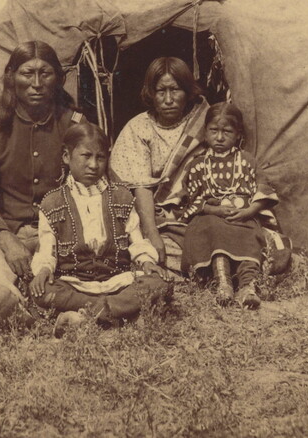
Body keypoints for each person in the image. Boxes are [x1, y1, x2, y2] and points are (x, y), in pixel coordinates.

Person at [0, 40, 85, 321]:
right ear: (11, 78)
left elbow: (89, 186)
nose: (37, 83)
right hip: (3, 228)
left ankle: (57, 304)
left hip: (57, 232)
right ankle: (2, 300)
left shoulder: (74, 124)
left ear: (59, 80)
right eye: (27, 73)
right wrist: (7, 240)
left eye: (45, 73)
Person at [29, 122, 174, 330]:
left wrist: (147, 262)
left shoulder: (121, 196)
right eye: (86, 156)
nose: (93, 165)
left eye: (100, 157)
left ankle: (88, 316)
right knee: (42, 291)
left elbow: (136, 239)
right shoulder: (52, 202)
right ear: (66, 157)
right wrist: (43, 270)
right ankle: (121, 315)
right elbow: (47, 247)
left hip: (117, 282)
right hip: (74, 284)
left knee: (161, 283)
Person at [110, 57, 212, 271]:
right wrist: (153, 235)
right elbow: (141, 188)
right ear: (151, 94)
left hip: (197, 211)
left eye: (175, 90)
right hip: (152, 215)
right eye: (160, 91)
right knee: (137, 240)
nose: (168, 99)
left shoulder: (204, 123)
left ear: (188, 91)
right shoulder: (139, 128)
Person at [173, 103, 279, 309]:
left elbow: (263, 188)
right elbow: (188, 200)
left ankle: (248, 286)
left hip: (244, 215)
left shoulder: (248, 161)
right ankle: (223, 281)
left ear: (238, 134)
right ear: (205, 133)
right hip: (210, 217)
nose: (219, 137)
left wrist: (249, 211)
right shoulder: (197, 164)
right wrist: (214, 210)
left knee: (250, 233)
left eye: (227, 131)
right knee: (214, 228)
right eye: (214, 131)